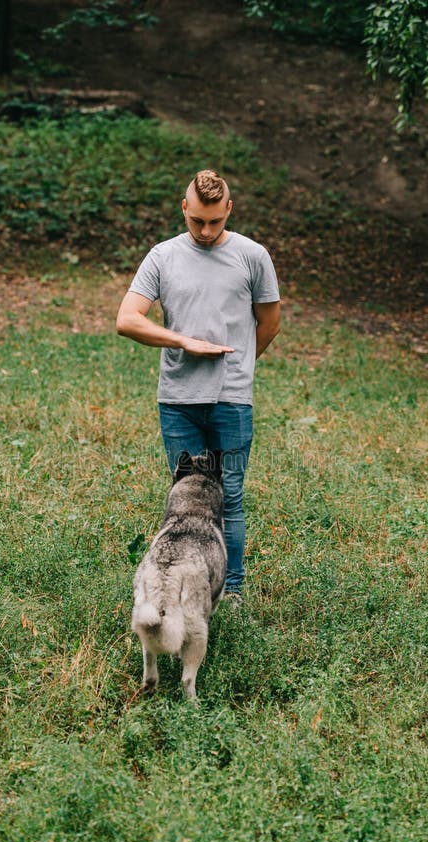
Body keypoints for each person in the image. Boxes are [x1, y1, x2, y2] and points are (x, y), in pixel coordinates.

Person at [116, 169, 281, 600]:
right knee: (186, 498)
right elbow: (127, 319)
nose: (206, 231)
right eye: (197, 221)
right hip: (178, 400)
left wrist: (239, 368)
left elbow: (269, 323)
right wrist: (183, 341)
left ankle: (231, 591)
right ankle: (184, 589)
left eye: (215, 221)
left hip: (231, 401)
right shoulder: (162, 256)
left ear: (229, 210)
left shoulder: (253, 256)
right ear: (184, 207)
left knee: (230, 497)